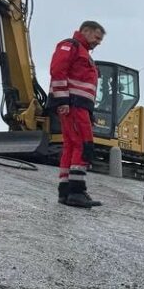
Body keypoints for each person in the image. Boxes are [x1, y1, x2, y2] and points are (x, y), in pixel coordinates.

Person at [49, 21, 104, 208]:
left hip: (79, 106)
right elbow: (57, 70)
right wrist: (62, 100)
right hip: (74, 106)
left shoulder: (81, 52)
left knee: (71, 146)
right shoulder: (71, 46)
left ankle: (65, 191)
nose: (98, 42)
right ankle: (77, 191)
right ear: (85, 31)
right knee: (83, 144)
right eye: (97, 37)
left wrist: (89, 111)